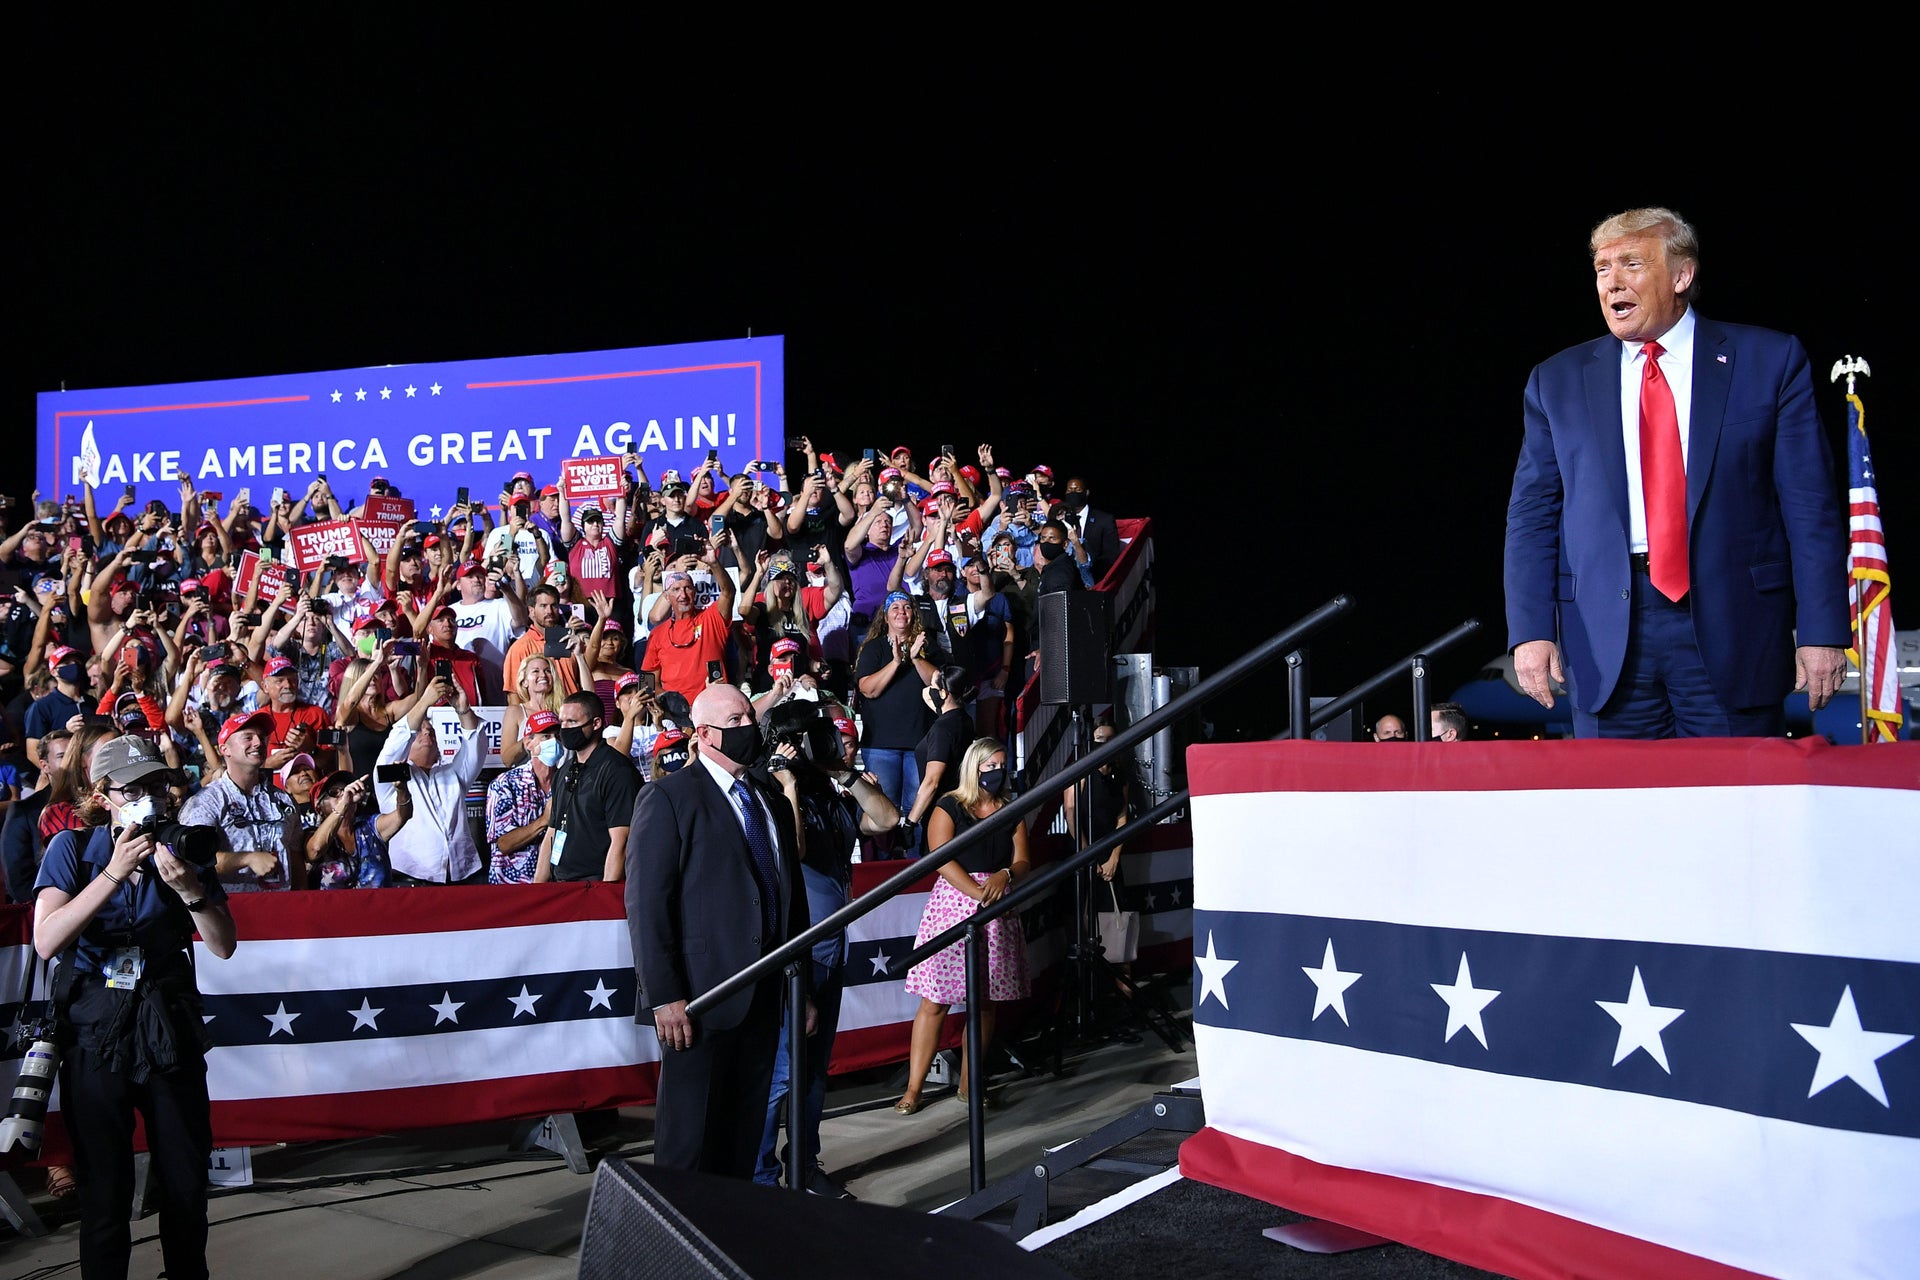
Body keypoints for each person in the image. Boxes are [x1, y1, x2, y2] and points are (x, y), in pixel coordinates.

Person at [1504, 206, 1849, 738]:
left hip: (1735, 626)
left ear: (1682, 275)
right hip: (1604, 635)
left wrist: (1822, 630)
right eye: (1602, 268)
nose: (1612, 282)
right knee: (1619, 793)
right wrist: (1530, 630)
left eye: (1631, 264)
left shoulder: (1769, 360)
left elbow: (1809, 505)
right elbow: (1532, 514)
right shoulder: (1557, 380)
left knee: (1736, 792)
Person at [33, 734, 236, 1280]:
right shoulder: (72, 848)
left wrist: (191, 891)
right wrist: (113, 873)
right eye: (134, 789)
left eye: (157, 786)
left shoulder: (182, 846)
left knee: (185, 1178)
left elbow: (223, 945)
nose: (150, 798)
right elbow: (47, 940)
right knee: (105, 1187)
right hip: (96, 1027)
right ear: (103, 796)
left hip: (168, 1021)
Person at [625, 683, 810, 1179]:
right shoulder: (667, 797)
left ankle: (730, 1223)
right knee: (690, 1147)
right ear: (703, 734)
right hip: (699, 1001)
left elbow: (792, 901)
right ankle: (676, 1230)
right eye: (735, 721)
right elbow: (647, 905)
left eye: (750, 716)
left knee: (742, 1140)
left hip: (764, 996)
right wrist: (664, 995)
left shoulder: (770, 798)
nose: (749, 726)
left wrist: (802, 989)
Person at [755, 699, 897, 1195]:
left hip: (831, 948)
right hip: (795, 953)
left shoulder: (830, 793)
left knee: (814, 1071)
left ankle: (803, 1164)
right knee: (782, 1072)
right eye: (817, 735)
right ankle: (760, 1177)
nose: (830, 741)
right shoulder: (769, 790)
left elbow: (887, 819)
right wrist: (790, 784)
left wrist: (845, 773)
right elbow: (790, 852)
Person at [893, 737, 1031, 1114]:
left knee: (984, 1002)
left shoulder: (1011, 808)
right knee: (935, 1000)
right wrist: (976, 893)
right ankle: (914, 1089)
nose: (997, 772)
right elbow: (939, 856)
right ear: (974, 767)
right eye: (990, 766)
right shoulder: (950, 805)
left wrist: (1005, 875)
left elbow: (1022, 860)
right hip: (954, 903)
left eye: (1001, 765)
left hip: (997, 906)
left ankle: (970, 1085)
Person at [373, 672, 486, 884]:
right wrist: (425, 701)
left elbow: (476, 745)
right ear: (407, 743)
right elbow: (396, 742)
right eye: (419, 731)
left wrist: (463, 708)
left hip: (463, 877)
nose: (427, 733)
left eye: (431, 731)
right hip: (411, 879)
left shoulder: (452, 774)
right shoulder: (391, 778)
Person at [180, 711, 295, 892]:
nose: (258, 743)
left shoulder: (283, 800)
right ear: (225, 749)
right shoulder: (206, 801)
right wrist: (246, 858)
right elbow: (192, 858)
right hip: (231, 905)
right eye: (248, 737)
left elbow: (296, 858)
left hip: (284, 903)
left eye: (261, 737)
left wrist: (302, 899)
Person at [535, 690, 640, 882]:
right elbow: (552, 831)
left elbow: (621, 840)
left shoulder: (617, 771)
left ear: (596, 723)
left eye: (572, 722)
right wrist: (538, 888)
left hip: (595, 884)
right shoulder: (564, 771)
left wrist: (605, 892)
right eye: (562, 722)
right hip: (561, 883)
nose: (564, 729)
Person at [854, 591, 938, 812]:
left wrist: (916, 658)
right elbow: (868, 690)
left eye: (907, 607)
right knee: (884, 810)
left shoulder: (926, 646)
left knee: (917, 811)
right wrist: (895, 663)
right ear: (886, 616)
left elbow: (937, 684)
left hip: (919, 744)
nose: (902, 612)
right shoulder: (874, 648)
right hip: (881, 745)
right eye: (895, 608)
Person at [299, 770, 406, 888]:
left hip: (380, 900)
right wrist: (343, 804)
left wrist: (402, 790)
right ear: (319, 808)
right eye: (334, 792)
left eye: (345, 790)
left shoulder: (370, 826)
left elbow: (402, 816)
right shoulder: (311, 832)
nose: (344, 794)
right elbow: (315, 849)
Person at [487, 709, 559, 883]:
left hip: (555, 884)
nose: (555, 742)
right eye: (546, 736)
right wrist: (544, 821)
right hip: (512, 887)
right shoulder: (506, 784)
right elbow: (504, 844)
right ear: (529, 743)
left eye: (558, 736)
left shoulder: (567, 781)